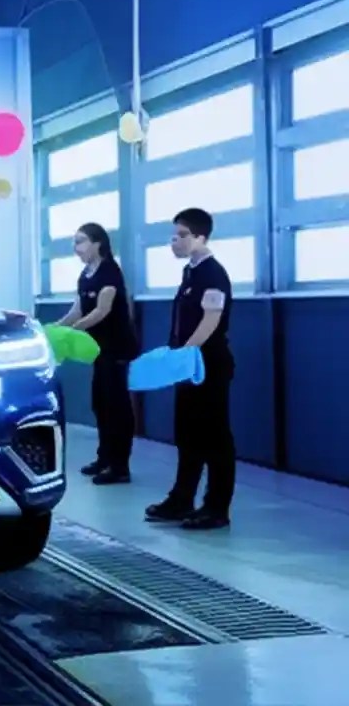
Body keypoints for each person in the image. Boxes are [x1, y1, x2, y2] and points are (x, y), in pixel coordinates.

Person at [144, 208, 235, 530]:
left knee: (214, 438)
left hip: (207, 366)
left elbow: (211, 320)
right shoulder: (191, 273)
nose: (175, 242)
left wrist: (185, 353)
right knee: (188, 435)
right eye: (173, 235)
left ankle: (216, 508)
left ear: (201, 237)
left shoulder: (213, 274)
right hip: (187, 366)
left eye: (182, 235)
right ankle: (181, 499)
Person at [55, 223, 138, 485]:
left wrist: (73, 333)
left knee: (117, 406)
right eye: (74, 242)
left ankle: (119, 466)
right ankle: (104, 457)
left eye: (80, 241)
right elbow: (77, 311)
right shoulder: (85, 275)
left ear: (97, 243)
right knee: (100, 403)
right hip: (98, 350)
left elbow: (101, 311)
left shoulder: (110, 273)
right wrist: (54, 329)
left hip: (116, 348)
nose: (75, 248)